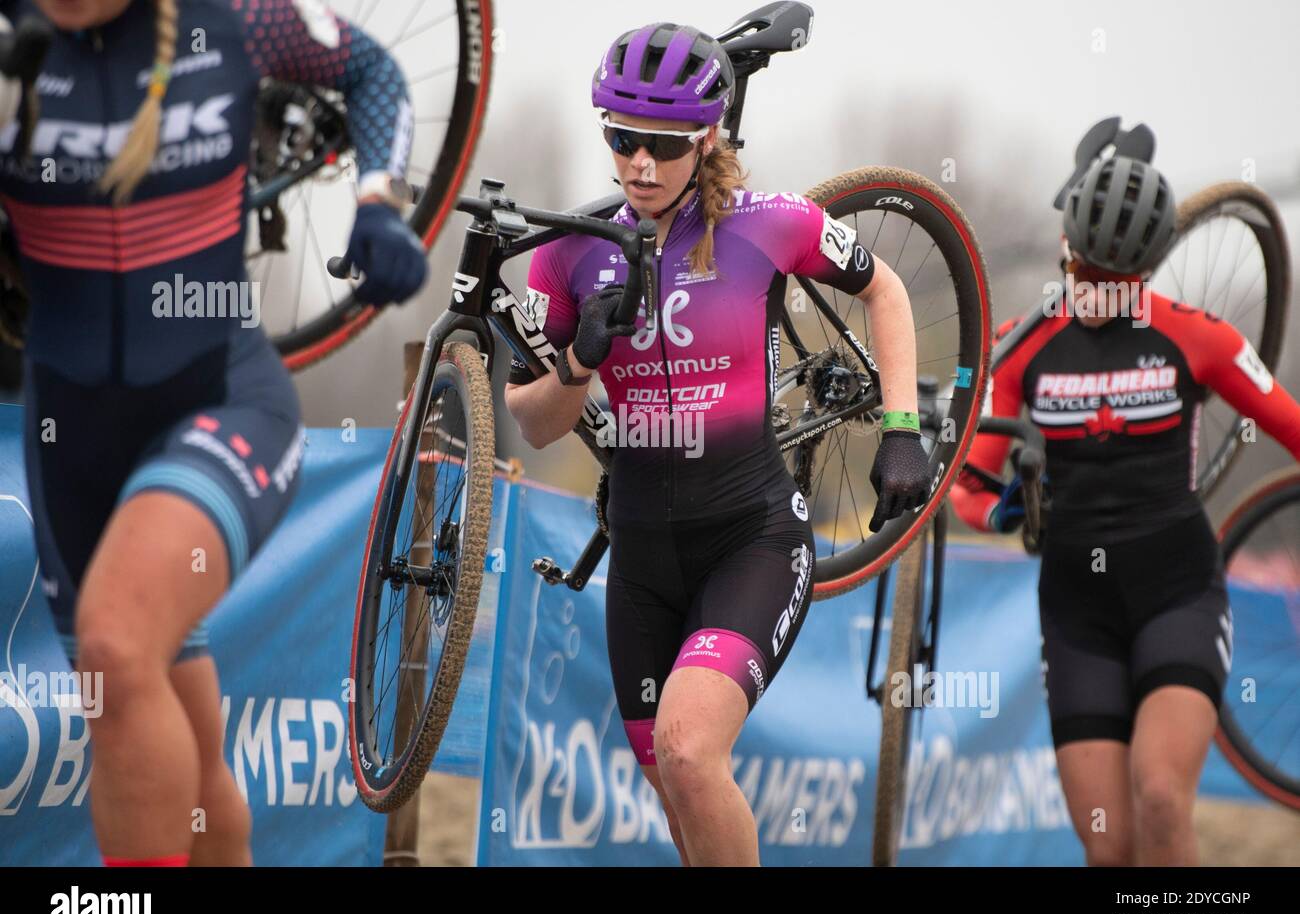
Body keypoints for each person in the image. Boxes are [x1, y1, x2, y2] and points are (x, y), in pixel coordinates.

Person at [0, 0, 426, 866]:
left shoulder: (229, 19)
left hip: (221, 394)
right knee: (191, 780)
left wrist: (379, 202)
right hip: (69, 431)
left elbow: (373, 71)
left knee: (117, 652)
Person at [504, 22, 931, 866]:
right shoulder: (568, 255)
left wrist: (903, 425)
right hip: (642, 557)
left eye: (662, 146)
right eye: (622, 140)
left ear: (705, 139)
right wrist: (581, 362)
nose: (639, 165)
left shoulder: (767, 224)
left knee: (692, 751)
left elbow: (885, 288)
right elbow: (535, 420)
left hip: (754, 537)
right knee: (677, 785)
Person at [952, 151, 1300, 865]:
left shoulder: (1198, 336)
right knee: (1109, 846)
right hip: (1079, 614)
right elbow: (971, 492)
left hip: (1179, 595)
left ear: (1149, 269)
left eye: (1121, 282)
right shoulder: (1020, 347)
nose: (1100, 293)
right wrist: (1005, 510)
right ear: (1065, 250)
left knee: (1163, 801)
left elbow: (1292, 426)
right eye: (1088, 276)